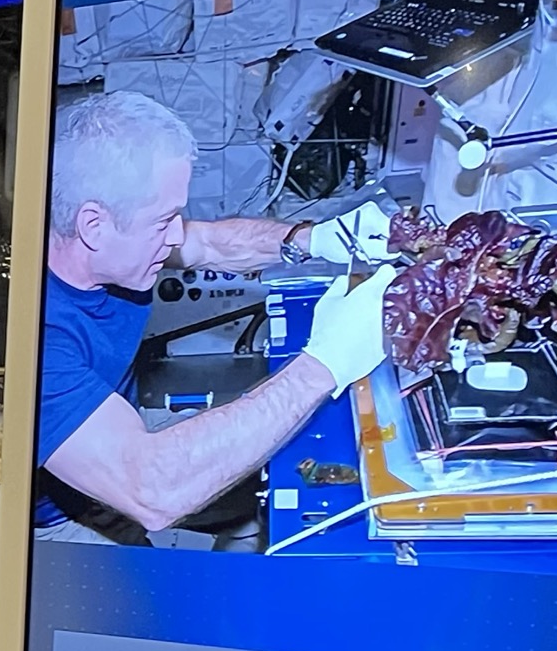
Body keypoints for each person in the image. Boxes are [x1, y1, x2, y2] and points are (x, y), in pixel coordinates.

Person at [35, 88, 395, 541]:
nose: (175, 238)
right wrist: (326, 362)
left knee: (286, 466)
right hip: (72, 511)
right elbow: (151, 488)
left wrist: (314, 238)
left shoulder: (114, 245)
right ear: (93, 225)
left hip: (123, 433)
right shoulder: (40, 340)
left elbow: (206, 242)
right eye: (163, 220)